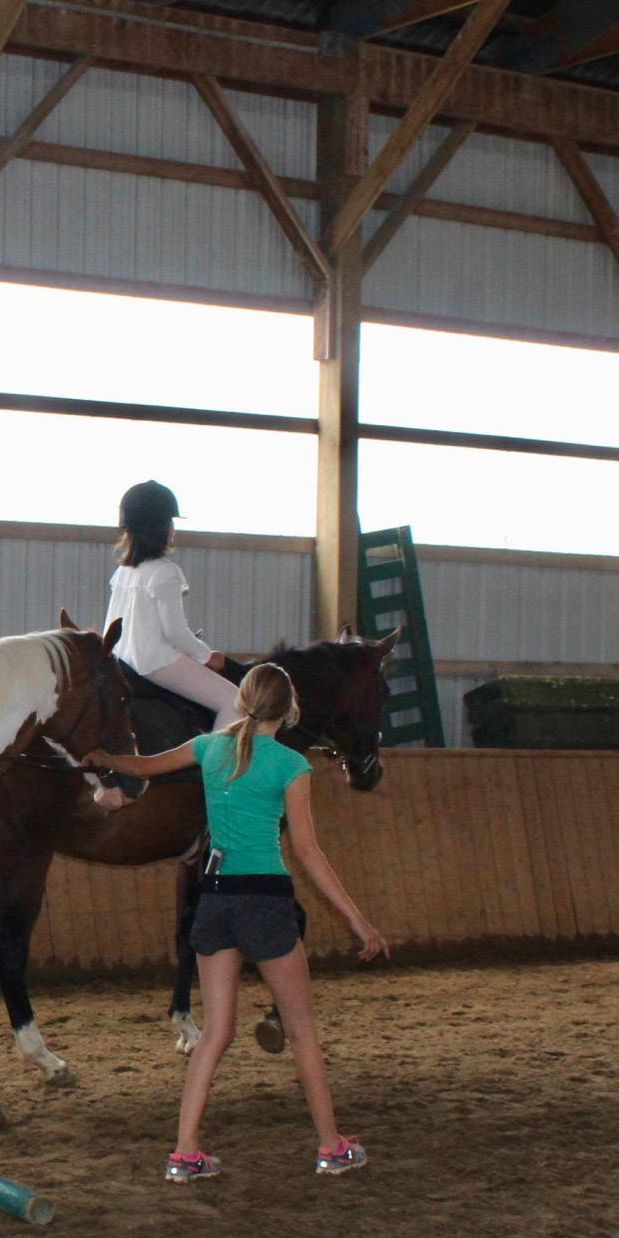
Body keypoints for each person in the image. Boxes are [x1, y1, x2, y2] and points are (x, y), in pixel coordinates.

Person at [86, 663, 388, 1183]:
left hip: (216, 899)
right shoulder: (291, 765)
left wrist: (106, 759)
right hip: (265, 902)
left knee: (214, 1034)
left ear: (242, 703)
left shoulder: (209, 748)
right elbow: (308, 853)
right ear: (289, 712)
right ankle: (331, 1146)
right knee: (302, 1032)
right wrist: (360, 924)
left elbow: (145, 766)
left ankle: (185, 1153)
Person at [106, 480, 239, 731]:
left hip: (123, 661)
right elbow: (175, 634)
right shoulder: (166, 572)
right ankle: (215, 757)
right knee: (234, 702)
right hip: (156, 664)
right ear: (160, 528)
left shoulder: (123, 572)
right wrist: (207, 655)